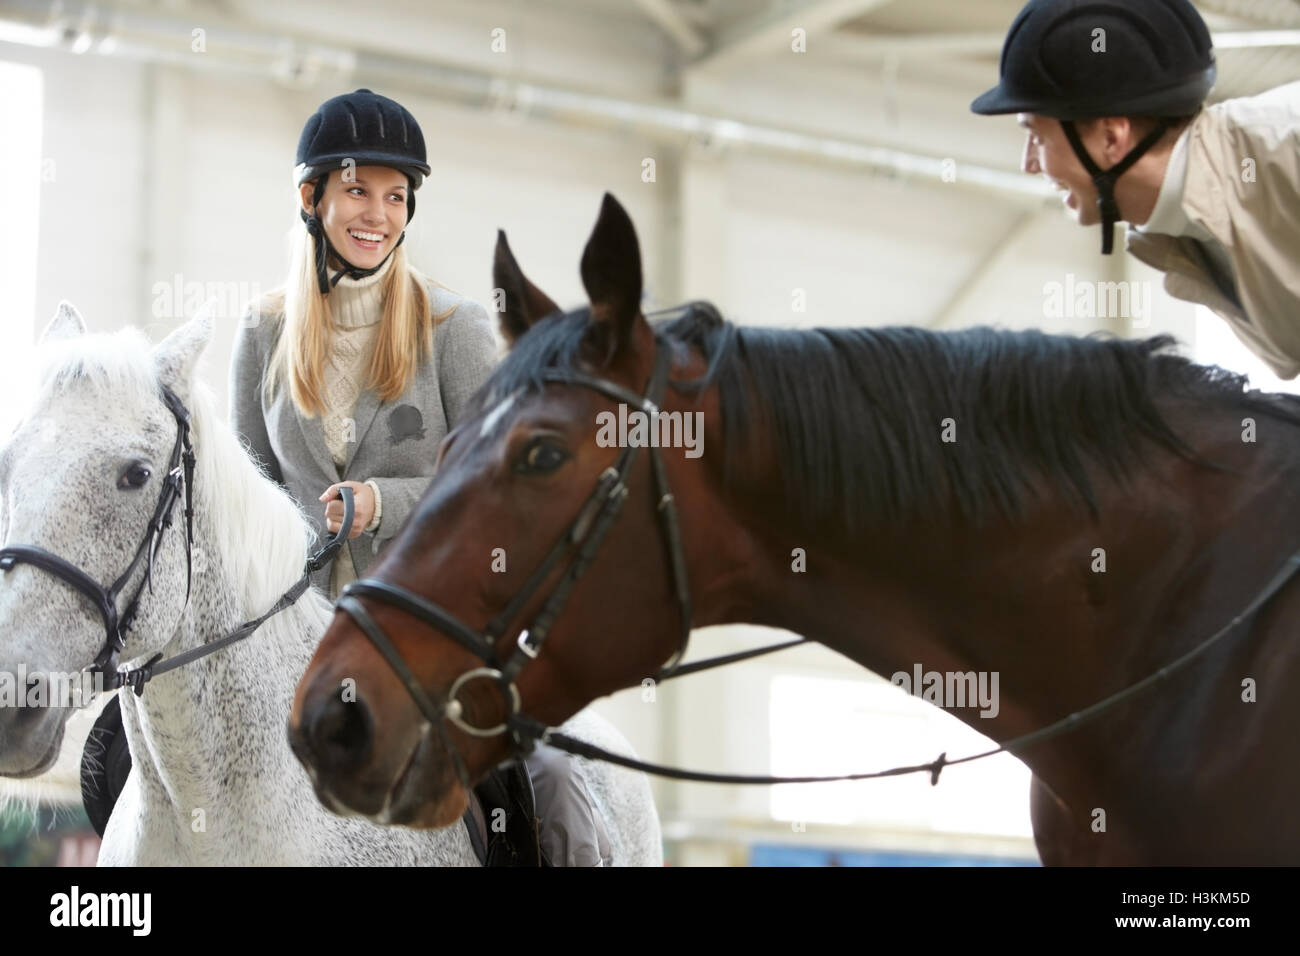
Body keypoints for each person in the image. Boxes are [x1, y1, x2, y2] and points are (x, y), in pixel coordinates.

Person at [230, 88, 611, 866]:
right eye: (357, 190)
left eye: (395, 196)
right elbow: (248, 488)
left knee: (561, 783)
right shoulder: (262, 329)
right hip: (295, 634)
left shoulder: (455, 328)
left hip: (433, 628)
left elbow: (499, 492)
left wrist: (382, 503)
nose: (377, 213)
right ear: (313, 198)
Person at [971, 0, 1300, 378]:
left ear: (1111, 137)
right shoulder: (1176, 235)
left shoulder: (1288, 144)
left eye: (1037, 138)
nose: (1028, 165)